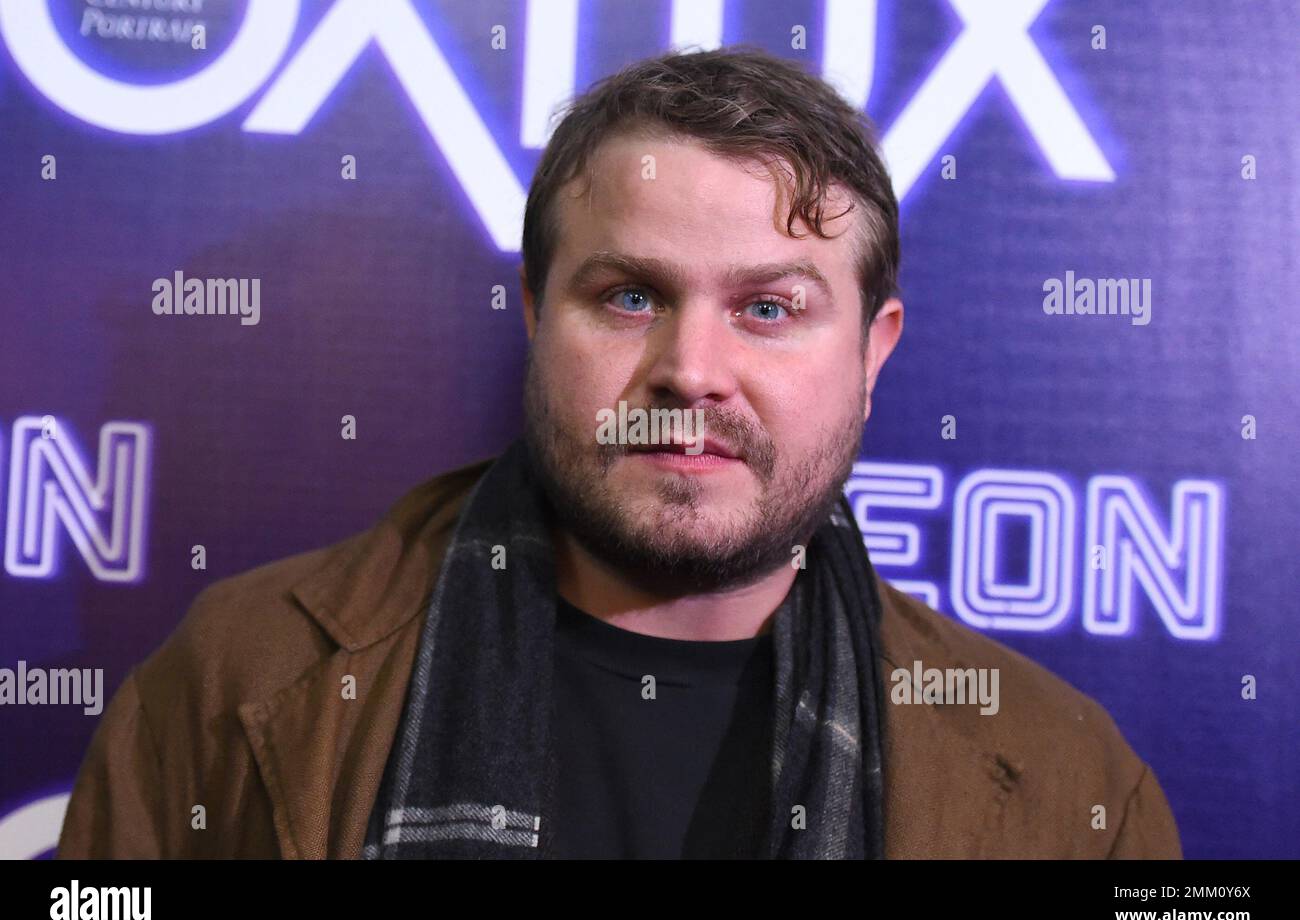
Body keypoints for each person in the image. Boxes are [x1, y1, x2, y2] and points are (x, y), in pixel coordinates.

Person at [57, 46, 1180, 860]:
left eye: (770, 307)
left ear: (873, 350)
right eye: (630, 294)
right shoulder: (235, 680)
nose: (689, 369)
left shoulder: (1068, 783)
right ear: (537, 314)